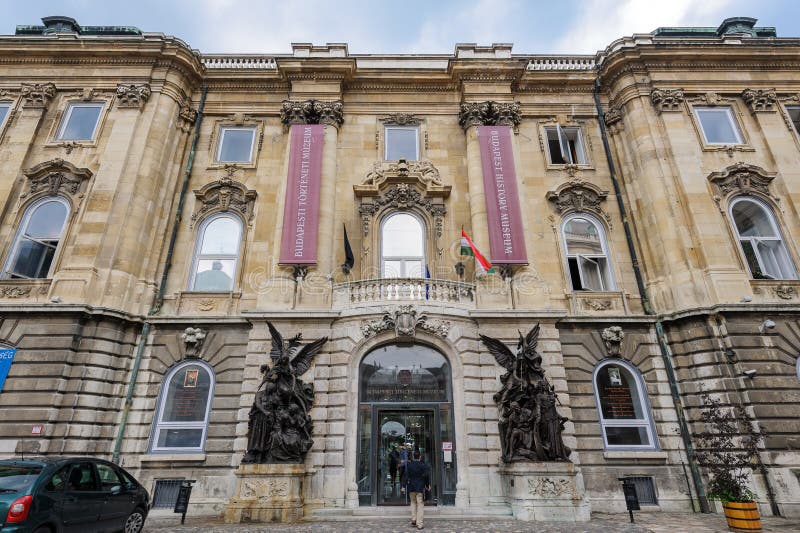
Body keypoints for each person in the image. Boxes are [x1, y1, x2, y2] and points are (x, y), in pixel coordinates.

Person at [401, 450, 430, 530]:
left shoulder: (409, 465)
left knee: (413, 502)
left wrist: (403, 486)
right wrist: (427, 485)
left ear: (413, 457)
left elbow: (405, 476)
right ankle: (419, 523)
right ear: (420, 456)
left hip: (411, 487)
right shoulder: (423, 465)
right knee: (420, 504)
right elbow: (426, 476)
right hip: (420, 487)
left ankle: (414, 519)